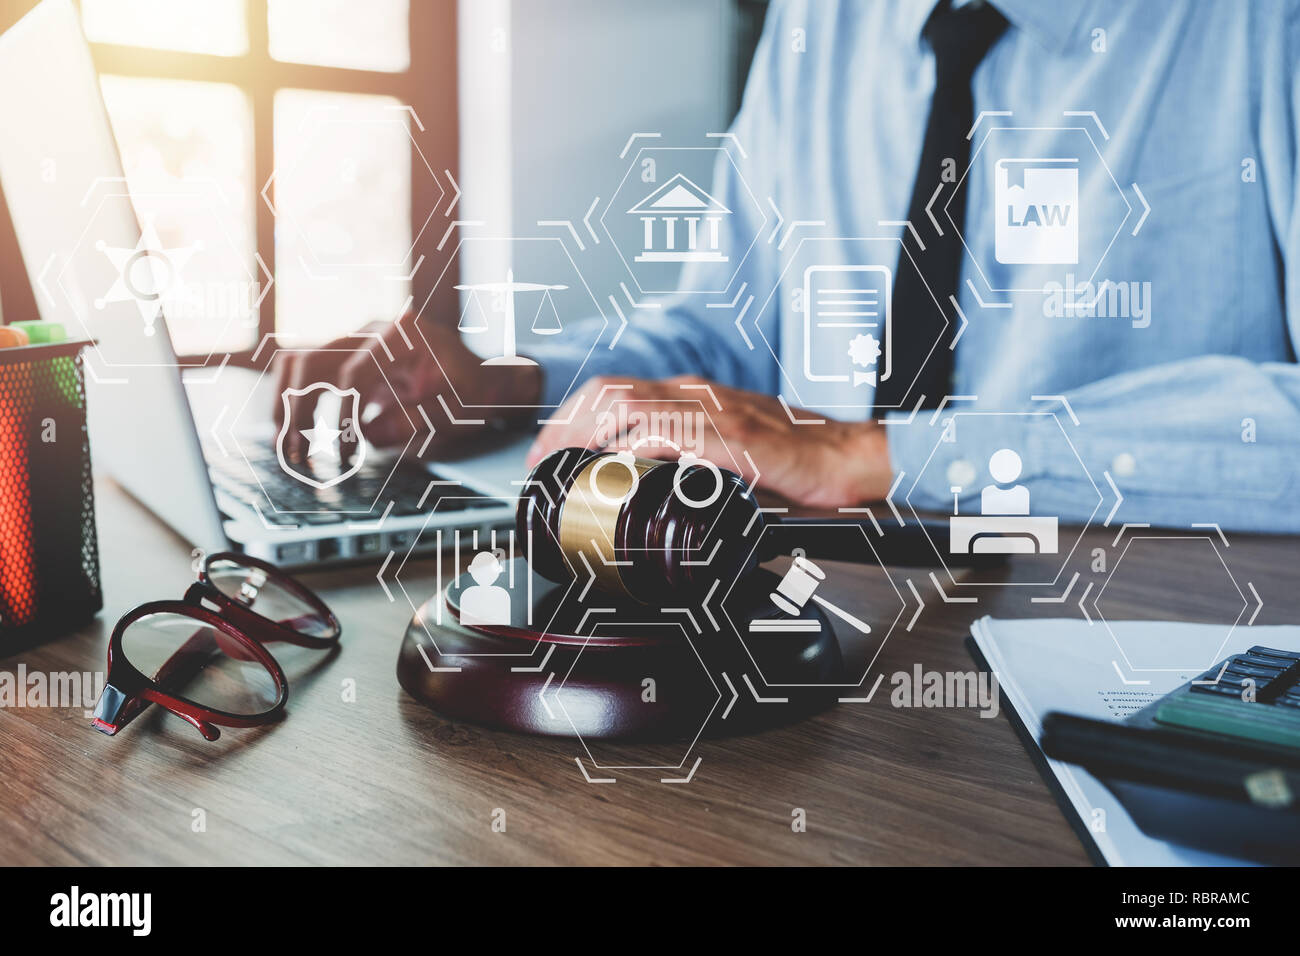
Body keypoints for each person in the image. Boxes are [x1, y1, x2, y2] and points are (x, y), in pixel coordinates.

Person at [275, 0, 1300, 532]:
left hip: (1119, 629)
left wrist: (874, 452)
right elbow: (735, 325)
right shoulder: (823, 20)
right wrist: (517, 382)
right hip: (827, 617)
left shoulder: (1261, 28)